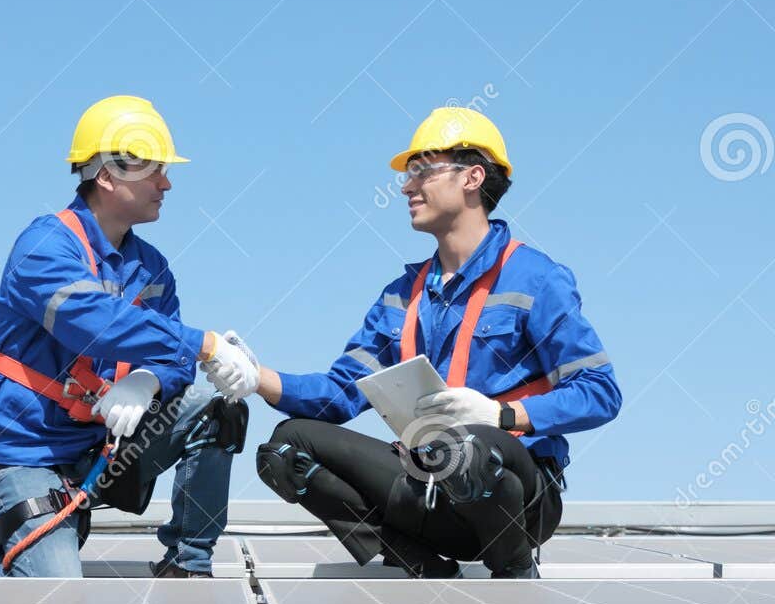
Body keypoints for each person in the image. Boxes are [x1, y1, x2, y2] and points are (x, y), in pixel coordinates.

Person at [208, 108, 620, 578]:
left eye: (422, 170)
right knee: (286, 449)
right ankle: (420, 563)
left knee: (475, 445)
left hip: (513, 495)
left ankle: (514, 572)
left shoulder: (537, 278)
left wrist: (500, 416)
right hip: (430, 482)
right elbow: (341, 394)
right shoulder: (401, 297)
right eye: (409, 174)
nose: (407, 187)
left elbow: (601, 392)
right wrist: (255, 377)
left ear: (473, 176)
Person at [0, 95, 258, 579]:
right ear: (108, 175)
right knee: (55, 598)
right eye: (153, 169)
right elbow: (94, 322)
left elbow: (172, 361)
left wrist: (149, 381)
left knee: (216, 411)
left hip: (102, 449)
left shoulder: (152, 268)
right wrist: (206, 345)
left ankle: (187, 565)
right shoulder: (44, 247)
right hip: (26, 452)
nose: (167, 182)